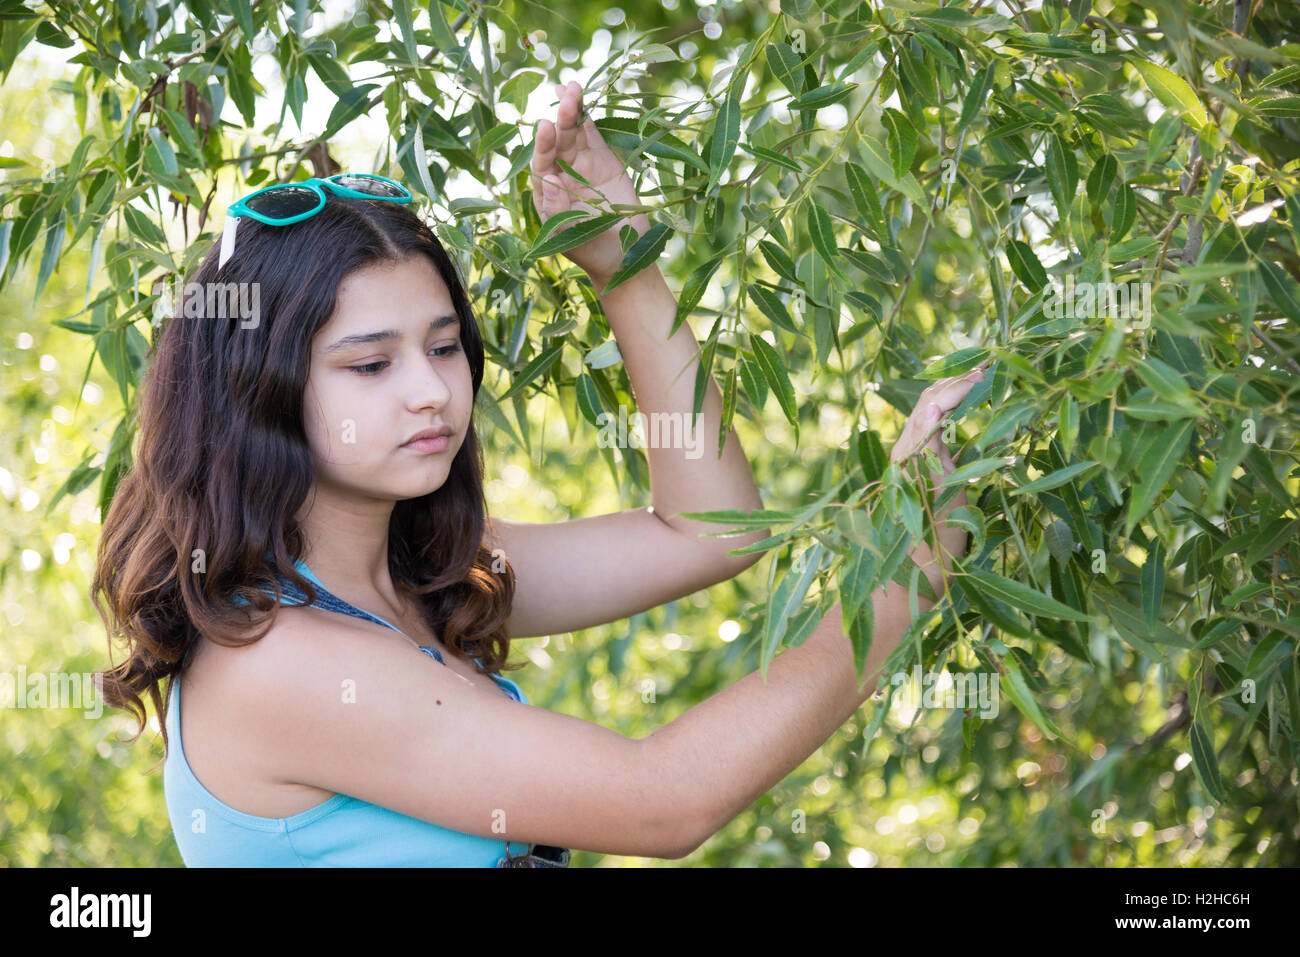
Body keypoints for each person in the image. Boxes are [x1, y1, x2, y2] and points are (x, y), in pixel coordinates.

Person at [91, 79, 984, 866]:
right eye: (371, 365)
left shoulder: (417, 574)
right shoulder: (280, 663)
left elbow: (711, 527)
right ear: (259, 389)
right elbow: (666, 800)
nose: (431, 392)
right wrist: (899, 580)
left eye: (444, 347)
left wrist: (623, 264)